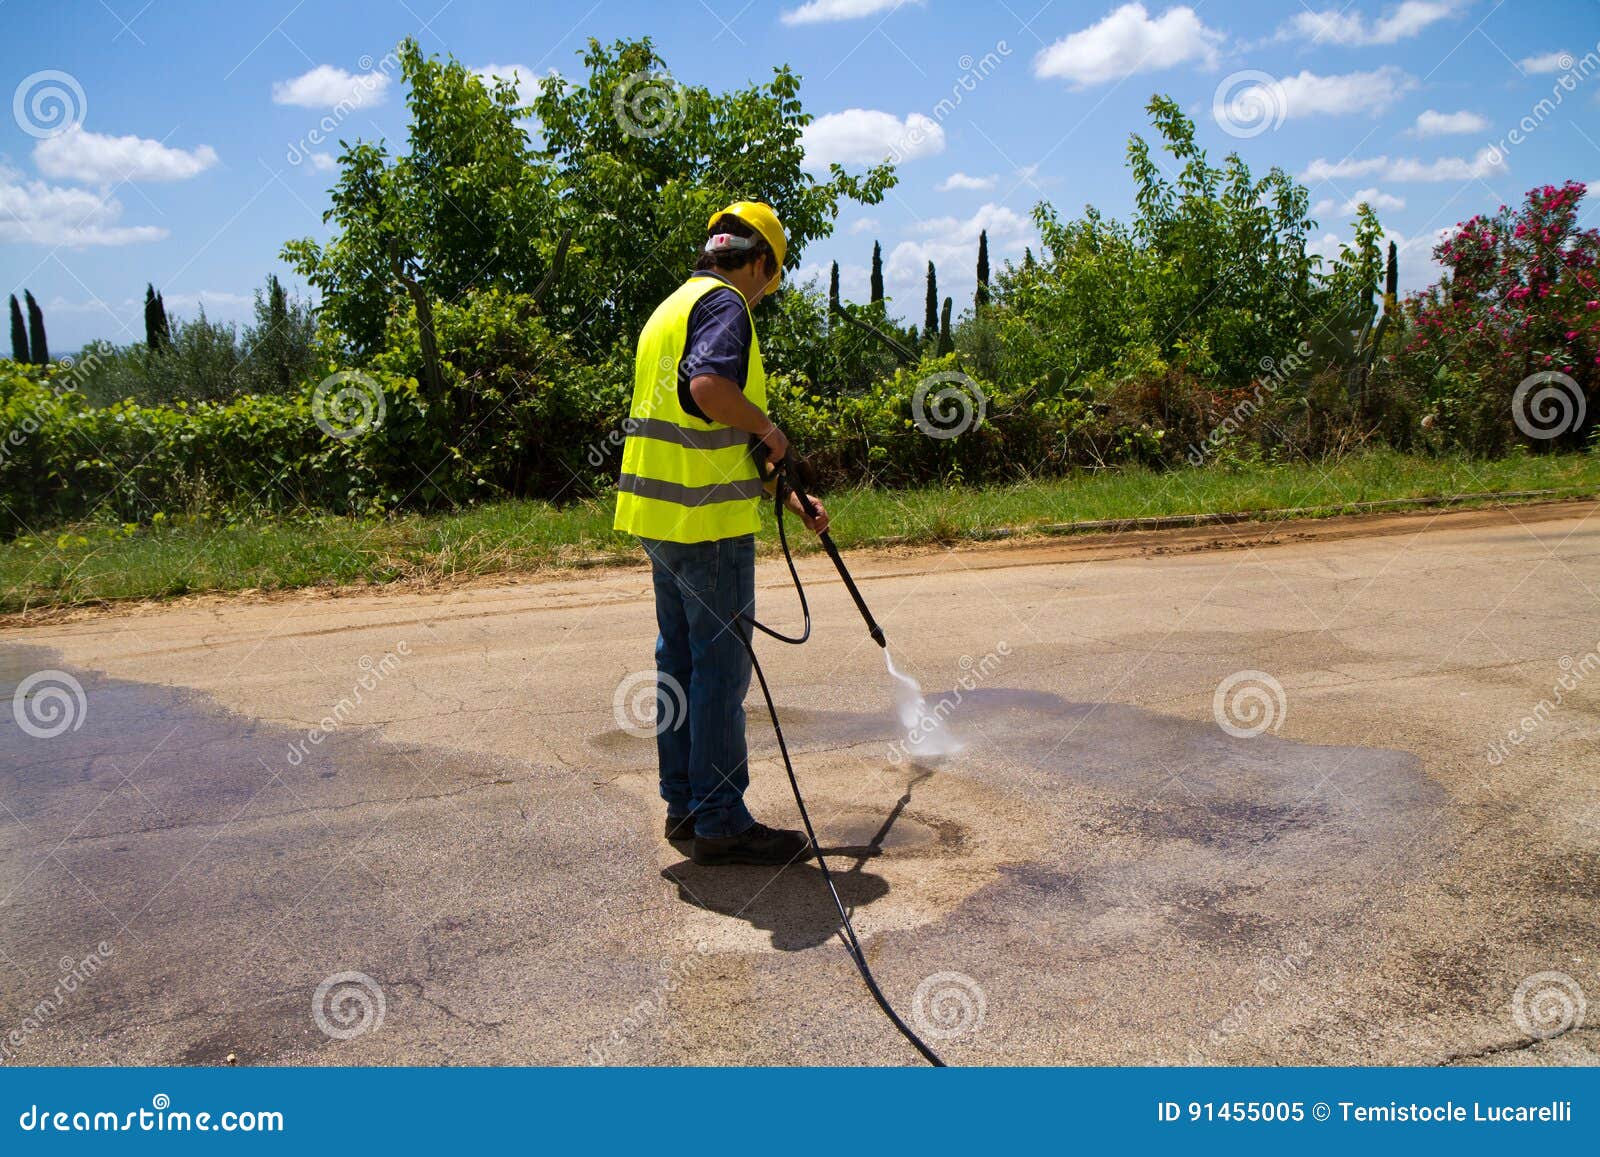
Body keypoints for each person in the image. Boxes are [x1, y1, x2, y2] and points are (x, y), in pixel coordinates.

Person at [614, 201, 829, 866]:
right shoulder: (726, 305)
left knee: (678, 662)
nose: (765, 294)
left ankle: (684, 804)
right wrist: (770, 428)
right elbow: (708, 390)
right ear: (759, 262)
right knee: (719, 671)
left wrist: (786, 492)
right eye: (772, 278)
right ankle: (721, 818)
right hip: (708, 526)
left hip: (662, 518)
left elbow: (701, 427)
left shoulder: (669, 309)